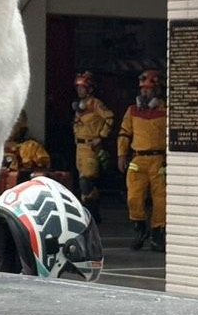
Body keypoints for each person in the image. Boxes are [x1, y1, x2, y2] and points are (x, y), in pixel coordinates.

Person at [117, 69, 167, 252]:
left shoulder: (166, 111)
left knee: (160, 201)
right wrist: (121, 155)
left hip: (159, 161)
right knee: (133, 198)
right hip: (137, 159)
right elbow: (124, 133)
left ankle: (157, 235)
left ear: (157, 91)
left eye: (149, 90)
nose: (145, 93)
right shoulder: (132, 111)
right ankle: (139, 230)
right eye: (143, 89)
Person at [71, 71, 113, 223]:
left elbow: (109, 117)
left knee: (86, 181)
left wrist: (101, 137)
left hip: (90, 147)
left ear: (89, 89)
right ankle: (92, 214)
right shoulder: (80, 107)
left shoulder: (96, 104)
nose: (79, 90)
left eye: (82, 87)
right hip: (79, 148)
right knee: (83, 182)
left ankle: (91, 212)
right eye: (78, 87)